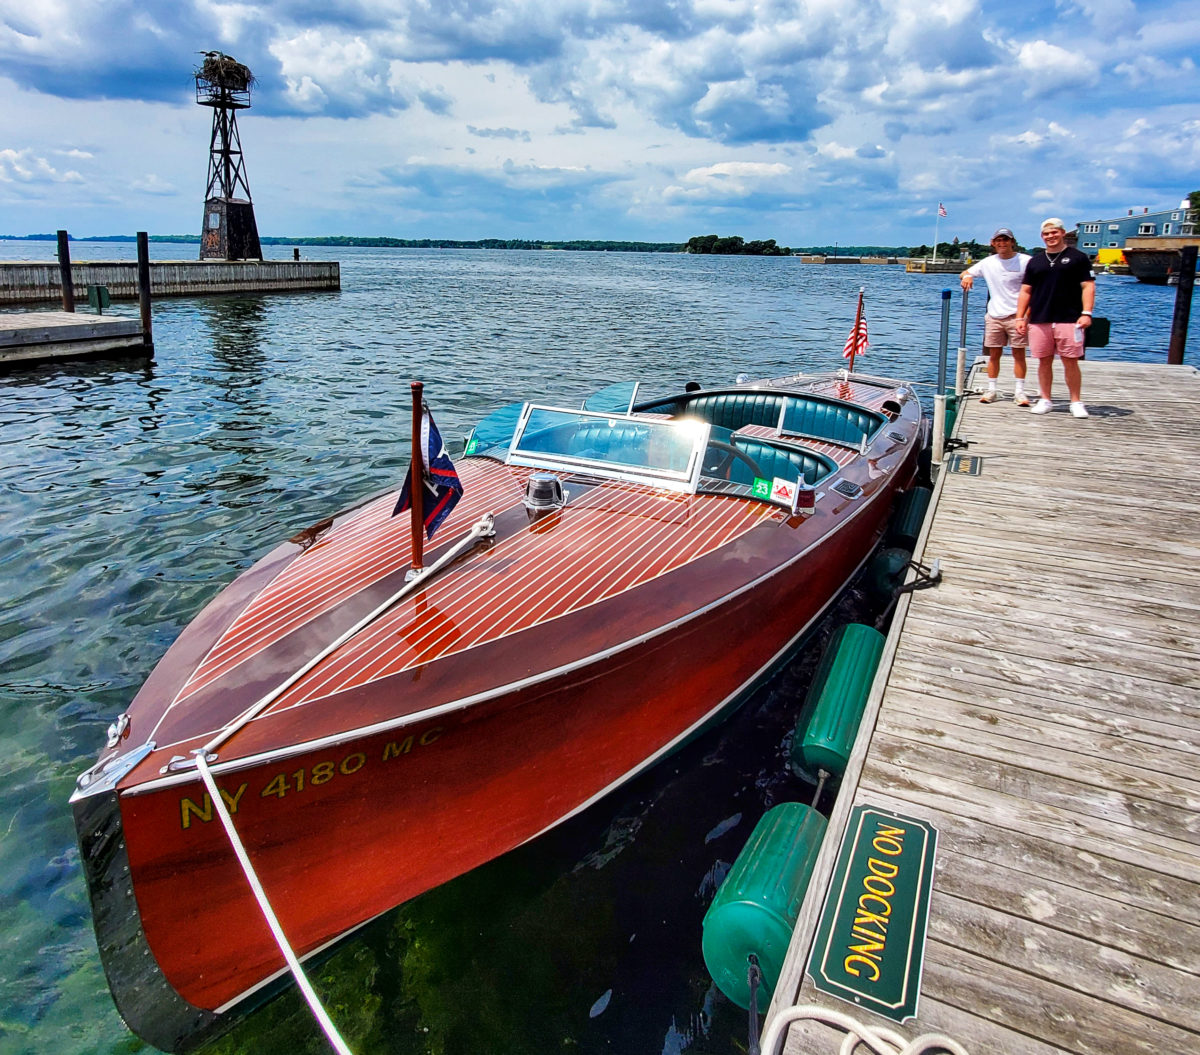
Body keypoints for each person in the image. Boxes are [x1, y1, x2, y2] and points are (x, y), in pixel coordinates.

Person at [1015, 218, 1095, 418]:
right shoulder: (1036, 261)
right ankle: (1045, 399)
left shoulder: (1078, 258)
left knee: (1071, 361)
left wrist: (1087, 313)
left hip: (1069, 319)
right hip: (1040, 318)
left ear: (1062, 233)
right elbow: (1026, 291)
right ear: (1042, 236)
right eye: (1046, 234)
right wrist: (1020, 318)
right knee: (1043, 361)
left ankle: (1076, 401)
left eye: (1054, 232)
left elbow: (1088, 286)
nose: (1050, 237)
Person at [960, 228, 1031, 405]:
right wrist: (968, 276)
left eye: (1005, 240)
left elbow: (1037, 287)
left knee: (1019, 354)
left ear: (1012, 242)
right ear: (993, 243)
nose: (1002, 243)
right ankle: (992, 390)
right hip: (994, 315)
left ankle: (1020, 392)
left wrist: (1026, 315)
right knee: (994, 354)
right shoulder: (988, 262)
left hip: (1018, 315)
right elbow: (965, 272)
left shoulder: (1025, 261)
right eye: (998, 240)